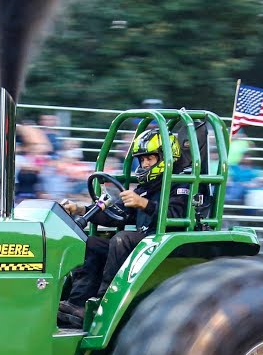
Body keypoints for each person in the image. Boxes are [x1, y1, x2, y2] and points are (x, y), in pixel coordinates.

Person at [56, 128, 189, 327]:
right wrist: (80, 208)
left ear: (165, 158)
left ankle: (103, 304)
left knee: (122, 239)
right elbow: (118, 215)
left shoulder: (180, 185)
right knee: (92, 242)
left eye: (150, 159)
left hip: (164, 242)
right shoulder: (147, 187)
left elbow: (175, 216)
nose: (144, 164)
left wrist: (143, 204)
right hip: (143, 240)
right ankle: (77, 303)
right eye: (142, 160)